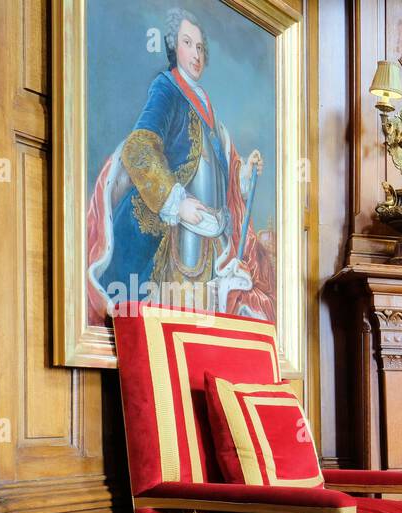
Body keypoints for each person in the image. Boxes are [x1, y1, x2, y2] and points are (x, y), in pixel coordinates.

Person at [85, 6, 274, 321]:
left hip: (208, 237)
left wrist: (243, 176)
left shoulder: (203, 102)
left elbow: (214, 168)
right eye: (188, 43)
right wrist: (177, 202)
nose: (197, 53)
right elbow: (139, 147)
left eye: (200, 47)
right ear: (173, 46)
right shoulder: (167, 89)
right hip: (172, 232)